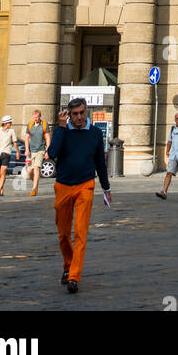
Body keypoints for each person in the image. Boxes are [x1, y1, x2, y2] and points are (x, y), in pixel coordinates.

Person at [46, 97, 111, 294]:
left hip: (86, 185)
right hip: (63, 186)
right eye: (75, 114)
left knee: (81, 232)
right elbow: (52, 152)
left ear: (86, 112)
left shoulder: (95, 133)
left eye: (82, 113)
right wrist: (60, 128)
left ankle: (74, 276)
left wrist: (106, 188)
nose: (79, 117)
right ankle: (68, 265)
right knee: (64, 233)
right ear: (69, 115)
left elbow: (100, 162)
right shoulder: (63, 132)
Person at [0, 115, 18, 197]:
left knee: (3, 171)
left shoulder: (12, 131)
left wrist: (18, 152)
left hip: (6, 153)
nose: (11, 123)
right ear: (6, 123)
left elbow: (14, 142)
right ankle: (1, 189)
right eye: (10, 122)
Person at [24, 110, 51, 197]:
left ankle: (34, 188)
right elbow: (27, 138)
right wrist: (27, 149)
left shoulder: (44, 125)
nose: (36, 119)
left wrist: (47, 150)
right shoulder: (30, 125)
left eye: (37, 117)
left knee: (36, 168)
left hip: (40, 150)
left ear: (40, 116)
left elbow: (47, 138)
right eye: (34, 117)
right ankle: (35, 182)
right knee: (29, 171)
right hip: (31, 151)